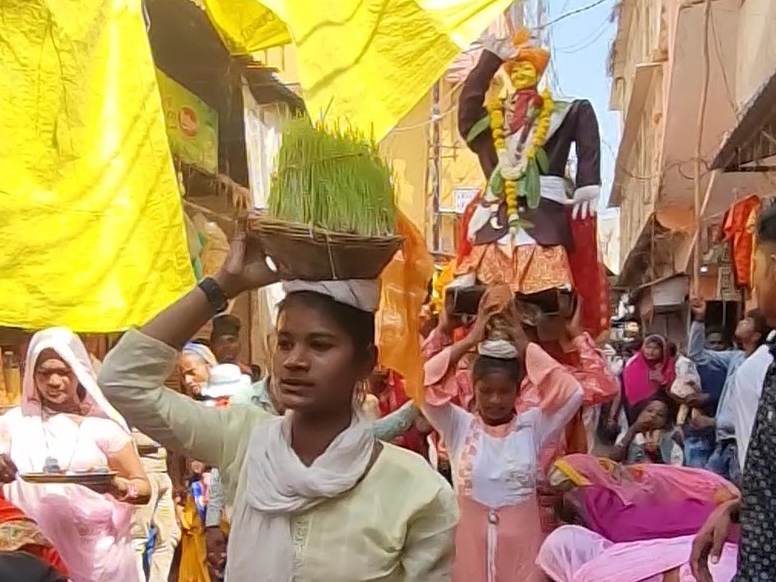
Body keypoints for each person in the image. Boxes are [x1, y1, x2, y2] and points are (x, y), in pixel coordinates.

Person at [97, 225, 458, 581]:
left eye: (320, 345)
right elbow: (122, 381)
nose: (294, 361)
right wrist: (223, 285)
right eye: (285, 343)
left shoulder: (418, 491)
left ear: (365, 361)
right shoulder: (244, 438)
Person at [422, 289, 585, 582]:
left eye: (504, 392)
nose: (495, 400)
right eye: (486, 391)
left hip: (523, 556)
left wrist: (525, 344)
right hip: (468, 554)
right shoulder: (459, 426)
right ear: (473, 388)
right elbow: (421, 384)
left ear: (518, 390)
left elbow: (573, 392)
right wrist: (468, 340)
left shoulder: (533, 427)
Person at [0, 327, 151, 582]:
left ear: (79, 371)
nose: (54, 381)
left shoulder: (103, 428)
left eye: (64, 372)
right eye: (44, 373)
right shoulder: (11, 425)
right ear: (32, 374)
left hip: (101, 560)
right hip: (37, 558)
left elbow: (144, 489)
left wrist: (118, 487)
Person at [691, 203, 776, 582]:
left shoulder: (761, 366)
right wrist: (739, 508)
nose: (753, 284)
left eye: (754, 266)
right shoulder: (754, 363)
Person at [687, 298, 772, 482]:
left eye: (747, 321)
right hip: (724, 443)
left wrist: (715, 422)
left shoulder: (763, 364)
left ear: (756, 336)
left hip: (740, 444)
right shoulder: (736, 358)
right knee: (710, 489)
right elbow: (697, 355)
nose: (741, 322)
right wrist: (699, 320)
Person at [620, 335, 676, 424]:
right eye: (648, 347)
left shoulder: (670, 365)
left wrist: (663, 381)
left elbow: (675, 390)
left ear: (663, 350)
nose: (651, 351)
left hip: (661, 412)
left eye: (655, 348)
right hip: (634, 408)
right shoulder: (633, 364)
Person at [610, 398, 683, 465]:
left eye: (660, 414)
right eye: (649, 411)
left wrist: (656, 453)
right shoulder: (626, 435)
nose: (653, 415)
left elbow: (673, 471)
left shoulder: (671, 445)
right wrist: (633, 429)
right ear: (640, 413)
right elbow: (613, 458)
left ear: (665, 422)